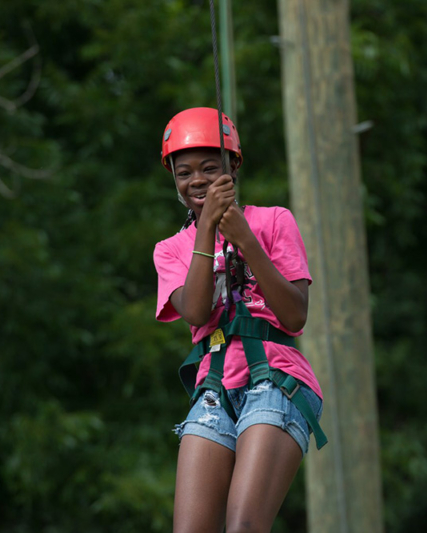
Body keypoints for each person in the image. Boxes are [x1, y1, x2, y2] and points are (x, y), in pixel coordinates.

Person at [153, 107, 325, 533]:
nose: (197, 181)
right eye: (184, 172)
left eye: (210, 168)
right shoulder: (171, 249)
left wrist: (245, 238)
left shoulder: (273, 221)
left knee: (244, 526)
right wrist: (208, 229)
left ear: (234, 168)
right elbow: (195, 312)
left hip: (276, 379)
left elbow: (294, 314)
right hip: (214, 390)